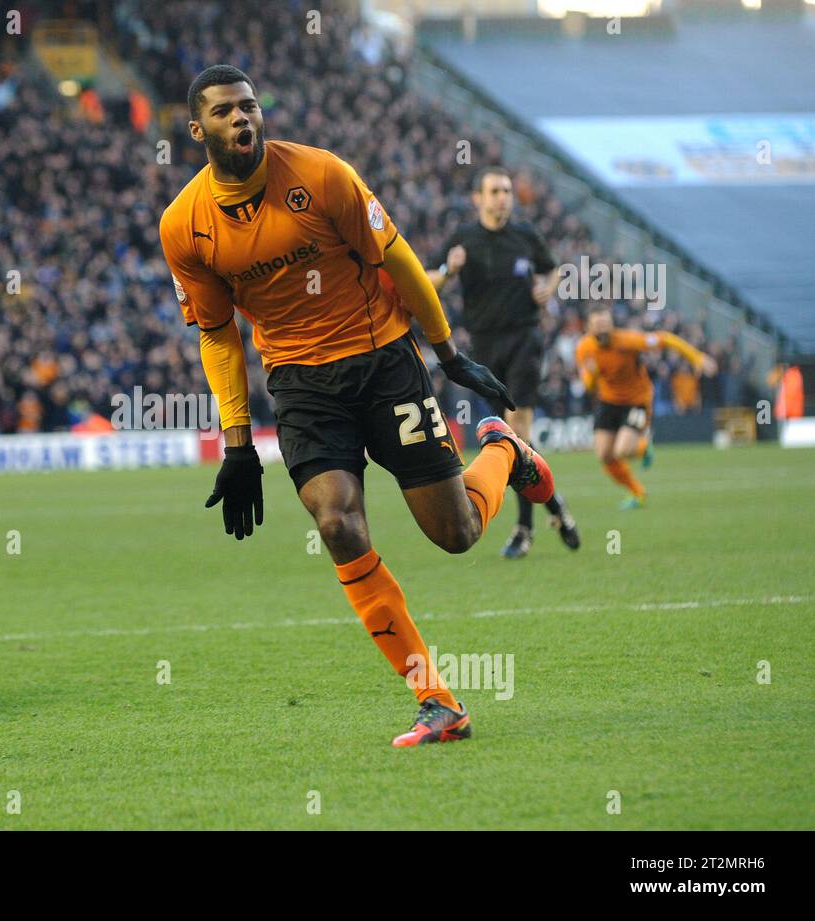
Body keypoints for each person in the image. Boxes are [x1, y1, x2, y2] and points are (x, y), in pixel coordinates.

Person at [159, 65, 557, 747]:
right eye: (225, 112)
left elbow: (398, 258)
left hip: (382, 361)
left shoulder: (321, 176)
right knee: (337, 520)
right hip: (300, 386)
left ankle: (503, 450)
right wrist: (235, 440)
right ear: (198, 129)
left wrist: (448, 353)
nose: (242, 119)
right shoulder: (184, 226)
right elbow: (219, 334)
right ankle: (437, 701)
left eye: (251, 106)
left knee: (456, 532)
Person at [428, 166, 579, 559]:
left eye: (508, 191)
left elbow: (554, 268)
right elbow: (424, 280)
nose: (503, 197)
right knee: (506, 441)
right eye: (495, 191)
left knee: (515, 430)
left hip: (525, 339)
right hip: (484, 349)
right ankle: (555, 506)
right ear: (478, 197)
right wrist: (449, 270)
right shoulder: (463, 239)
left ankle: (523, 529)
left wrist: (550, 286)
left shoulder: (525, 235)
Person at [575, 307, 717, 508]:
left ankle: (642, 447)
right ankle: (638, 493)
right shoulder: (584, 349)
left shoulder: (627, 341)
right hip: (608, 401)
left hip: (636, 400)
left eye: (606, 324)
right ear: (589, 328)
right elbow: (590, 386)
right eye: (598, 326)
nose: (603, 329)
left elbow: (666, 339)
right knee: (604, 455)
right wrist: (593, 374)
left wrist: (697, 358)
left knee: (622, 450)